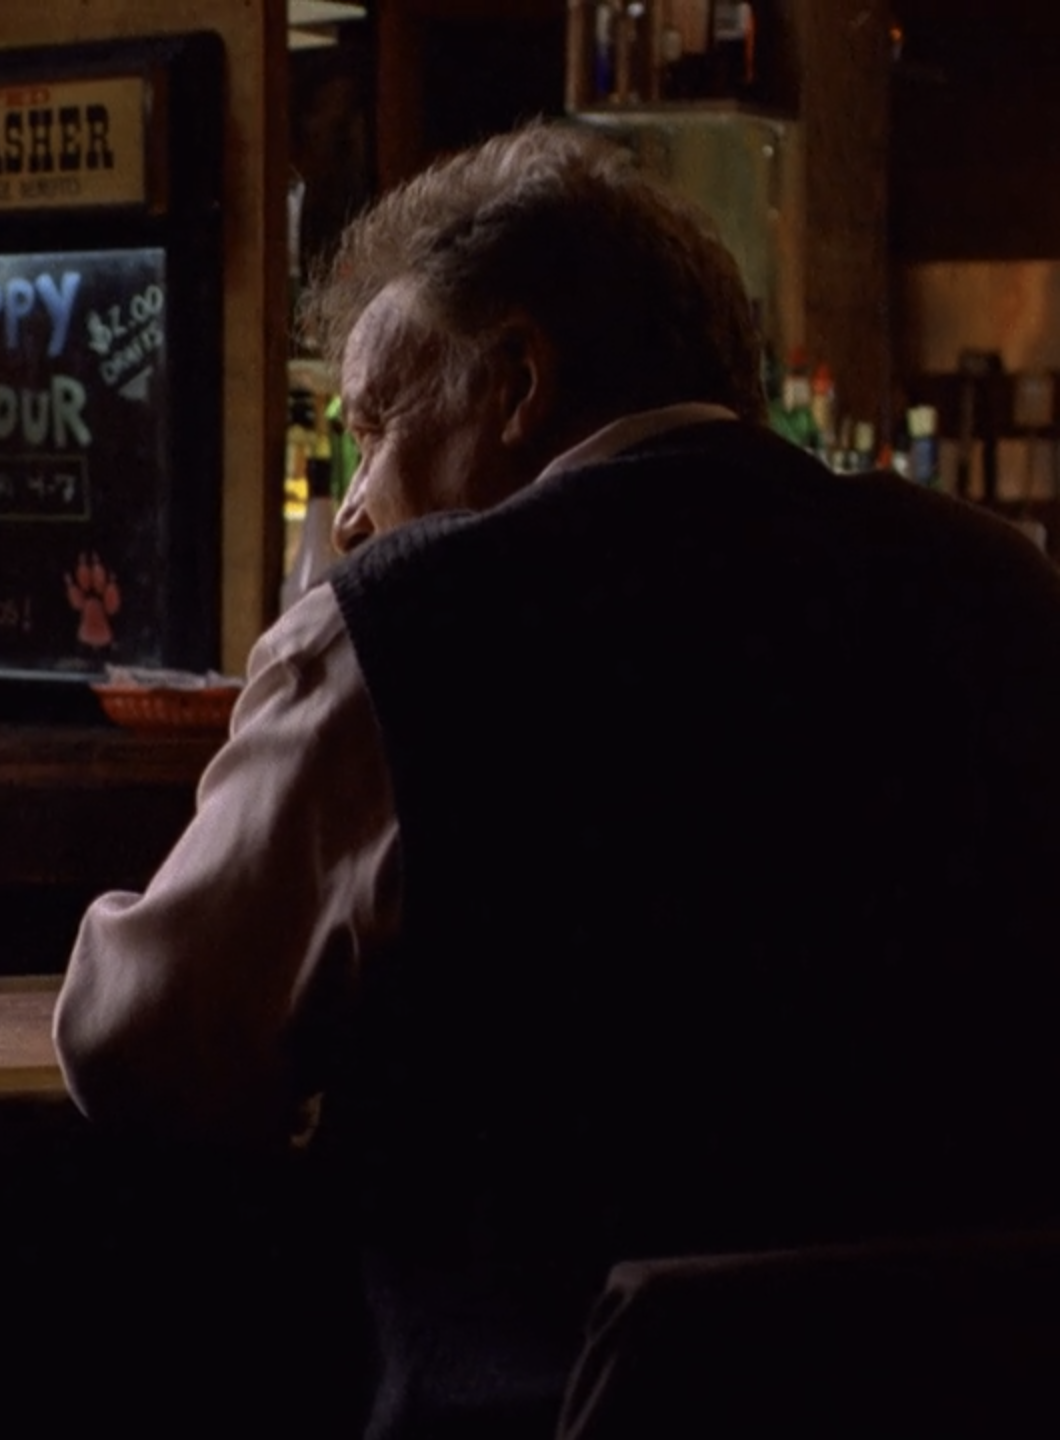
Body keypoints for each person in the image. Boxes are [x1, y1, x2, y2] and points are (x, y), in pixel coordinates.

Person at [55, 123, 1060, 1440]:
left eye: (377, 427)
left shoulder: (400, 635)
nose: (350, 510)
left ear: (519, 382)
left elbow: (149, 1047)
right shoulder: (1003, 588)